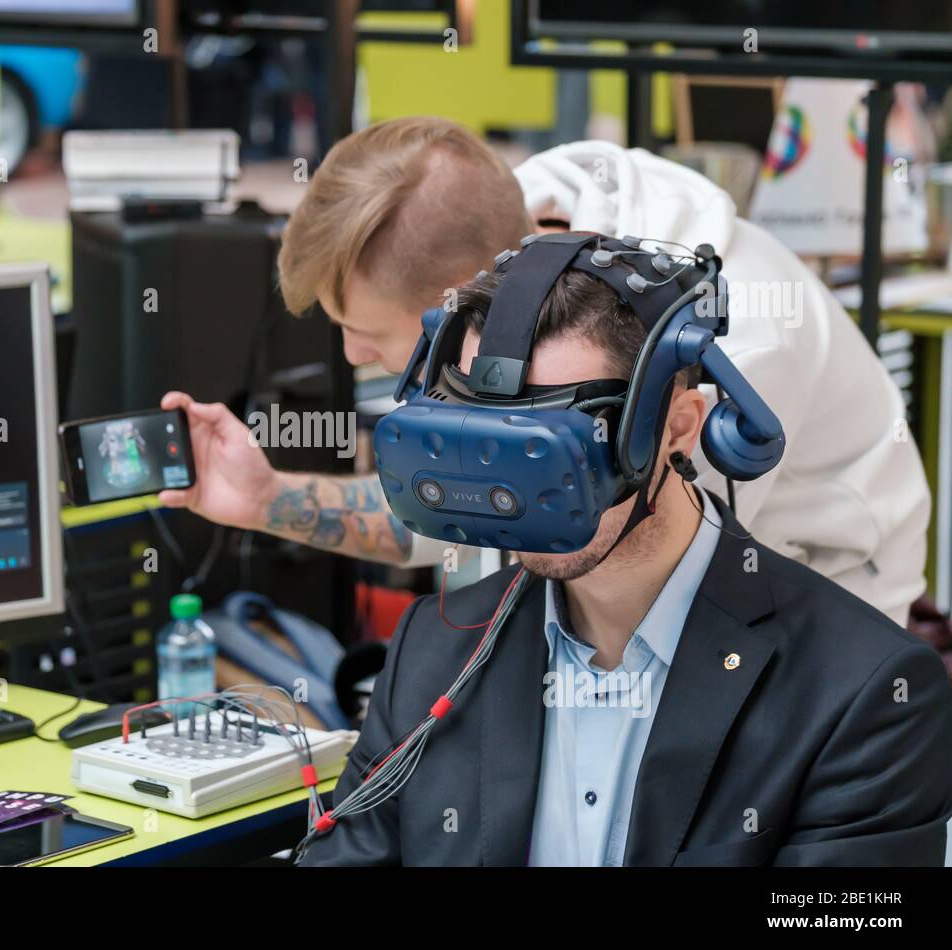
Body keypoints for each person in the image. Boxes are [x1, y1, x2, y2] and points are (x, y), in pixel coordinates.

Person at [298, 262, 952, 866]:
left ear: (679, 427)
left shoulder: (865, 694)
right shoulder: (434, 648)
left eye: (553, 446)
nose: (521, 492)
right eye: (488, 440)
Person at [159, 116, 930, 627]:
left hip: (819, 611)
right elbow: (472, 513)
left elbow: (556, 545)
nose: (355, 358)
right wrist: (265, 498)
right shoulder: (510, 236)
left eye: (365, 336)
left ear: (456, 313)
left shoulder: (716, 352)